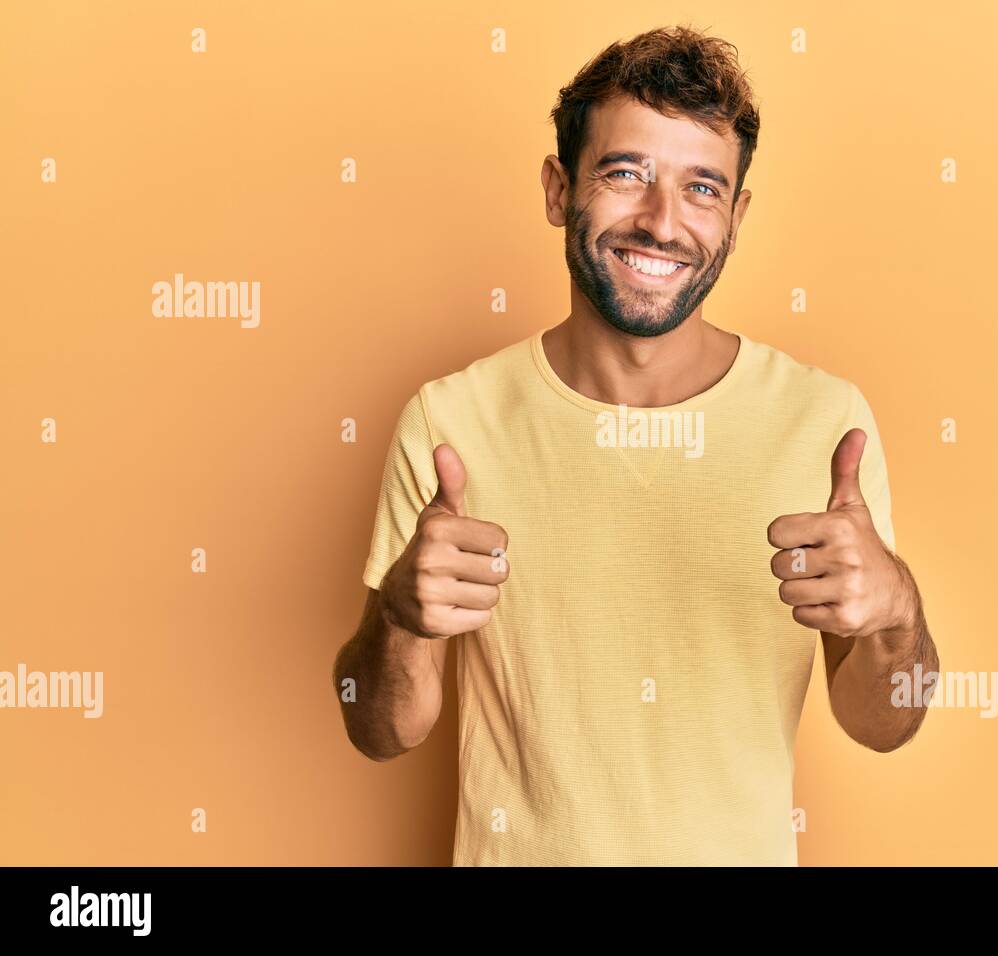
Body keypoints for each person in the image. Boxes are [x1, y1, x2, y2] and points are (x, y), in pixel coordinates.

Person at [333, 25, 939, 866]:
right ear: (558, 189)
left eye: (702, 188)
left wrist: (897, 609)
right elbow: (380, 730)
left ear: (736, 216)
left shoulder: (824, 422)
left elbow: (885, 723)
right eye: (626, 174)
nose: (662, 222)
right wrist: (399, 618)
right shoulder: (450, 424)